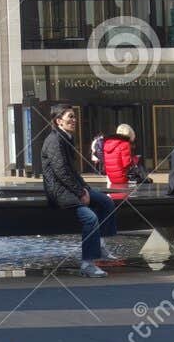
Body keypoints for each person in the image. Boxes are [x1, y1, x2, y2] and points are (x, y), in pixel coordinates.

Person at [42, 103, 118, 277]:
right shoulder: (54, 141)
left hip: (71, 188)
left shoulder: (65, 138)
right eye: (70, 117)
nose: (74, 120)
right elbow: (61, 172)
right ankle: (87, 264)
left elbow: (72, 171)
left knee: (106, 202)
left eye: (74, 116)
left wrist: (85, 188)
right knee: (90, 218)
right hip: (60, 193)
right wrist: (80, 192)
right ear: (59, 121)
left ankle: (100, 246)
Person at [102, 123, 137, 190]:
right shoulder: (125, 144)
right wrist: (135, 160)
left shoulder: (108, 143)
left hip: (111, 177)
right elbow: (126, 164)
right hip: (122, 177)